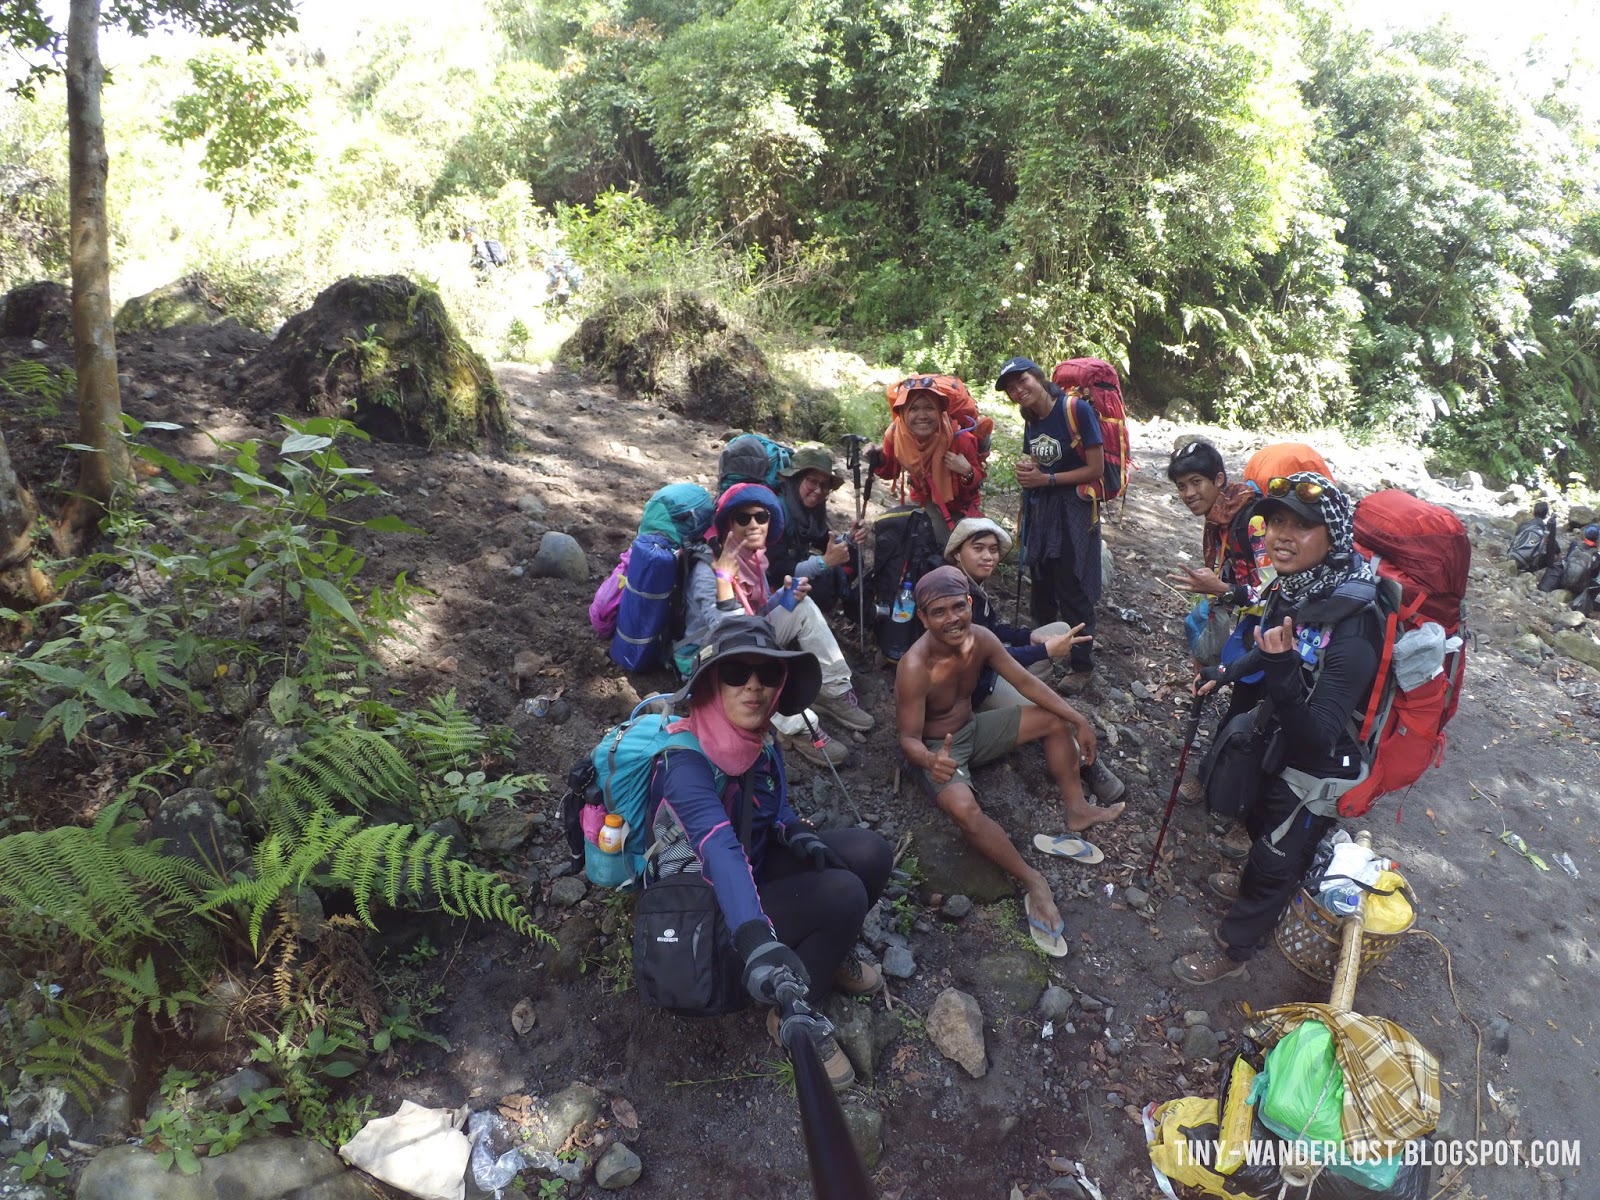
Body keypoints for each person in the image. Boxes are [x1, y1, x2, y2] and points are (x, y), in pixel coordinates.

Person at [648, 616, 894, 1089]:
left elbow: (770, 799)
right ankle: (792, 1012)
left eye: (768, 674)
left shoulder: (754, 739)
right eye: (736, 673)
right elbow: (718, 846)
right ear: (710, 686)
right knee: (843, 893)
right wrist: (756, 938)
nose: (754, 687)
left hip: (750, 869)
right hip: (704, 914)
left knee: (869, 852)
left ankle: (825, 950)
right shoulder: (683, 763)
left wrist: (793, 829)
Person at [1173, 473, 1383, 986]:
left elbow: (1318, 736)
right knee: (1260, 819)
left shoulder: (1355, 623)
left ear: (1332, 536)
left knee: (1275, 858)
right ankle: (1250, 885)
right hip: (1284, 733)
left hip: (1321, 764)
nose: (1282, 536)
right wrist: (1228, 671)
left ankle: (1234, 949)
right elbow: (1268, 641)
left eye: (1303, 525)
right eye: (1277, 522)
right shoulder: (1297, 585)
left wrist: (1284, 668)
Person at [894, 566, 1125, 956]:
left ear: (970, 604)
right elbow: (907, 738)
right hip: (939, 749)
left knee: (1053, 719)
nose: (952, 619)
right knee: (966, 811)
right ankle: (1033, 881)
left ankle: (1077, 809)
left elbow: (1026, 682)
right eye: (939, 612)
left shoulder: (980, 639)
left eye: (958, 607)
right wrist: (929, 761)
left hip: (973, 729)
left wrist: (1077, 717)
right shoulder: (915, 666)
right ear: (922, 617)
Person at [680, 483, 874, 768]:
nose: (754, 524)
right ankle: (798, 727)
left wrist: (783, 598)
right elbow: (729, 636)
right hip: (711, 656)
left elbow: (757, 609)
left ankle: (834, 689)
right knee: (754, 660)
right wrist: (723, 583)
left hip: (746, 635)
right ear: (727, 525)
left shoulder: (754, 557)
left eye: (762, 516)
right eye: (743, 518)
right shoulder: (708, 570)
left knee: (801, 606)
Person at [944, 516, 1125, 804]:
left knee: (1059, 631)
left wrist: (1029, 638)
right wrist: (1044, 652)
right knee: (1053, 714)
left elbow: (993, 632)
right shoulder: (956, 596)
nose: (988, 556)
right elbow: (989, 658)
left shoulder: (974, 585)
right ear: (957, 553)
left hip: (990, 671)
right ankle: (1085, 763)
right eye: (978, 548)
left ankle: (1023, 695)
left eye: (992, 549)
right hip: (978, 688)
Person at [1163, 439, 1267, 823]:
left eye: (1196, 483)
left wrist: (1222, 590)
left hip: (1282, 635)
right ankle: (1213, 779)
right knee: (1241, 705)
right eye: (1182, 487)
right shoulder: (1222, 517)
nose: (1189, 494)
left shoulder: (1253, 521)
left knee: (1254, 716)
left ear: (1219, 479)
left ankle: (1242, 815)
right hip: (1252, 625)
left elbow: (1278, 592)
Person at [995, 357, 1103, 693]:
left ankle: (1082, 665)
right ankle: (1041, 653)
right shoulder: (1031, 419)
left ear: (1038, 377)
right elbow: (1036, 462)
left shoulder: (1075, 410)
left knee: (1072, 587)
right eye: (1011, 388)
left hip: (1074, 510)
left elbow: (1095, 468)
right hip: (1042, 508)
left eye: (1022, 380)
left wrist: (1047, 479)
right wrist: (1028, 473)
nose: (1018, 390)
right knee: (1040, 581)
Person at [868, 377, 986, 529]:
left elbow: (976, 482)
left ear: (939, 412)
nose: (922, 415)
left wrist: (967, 471)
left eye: (930, 408)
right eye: (913, 409)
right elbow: (890, 472)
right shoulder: (896, 435)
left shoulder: (959, 439)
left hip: (960, 509)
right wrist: (877, 458)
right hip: (923, 502)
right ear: (903, 413)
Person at [766, 444, 867, 615]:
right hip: (772, 583)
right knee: (821, 587)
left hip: (793, 568)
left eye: (824, 485)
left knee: (852, 557)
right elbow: (777, 569)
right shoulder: (777, 512)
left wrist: (849, 538)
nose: (819, 491)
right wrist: (824, 563)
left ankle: (817, 610)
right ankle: (790, 618)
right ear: (797, 479)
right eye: (812, 481)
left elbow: (824, 539)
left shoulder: (811, 512)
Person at [1506, 501, 1560, 575]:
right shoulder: (1544, 530)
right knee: (1555, 556)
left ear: (1533, 513)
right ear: (1546, 515)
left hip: (1511, 557)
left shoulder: (1524, 525)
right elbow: (1557, 549)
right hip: (1525, 564)